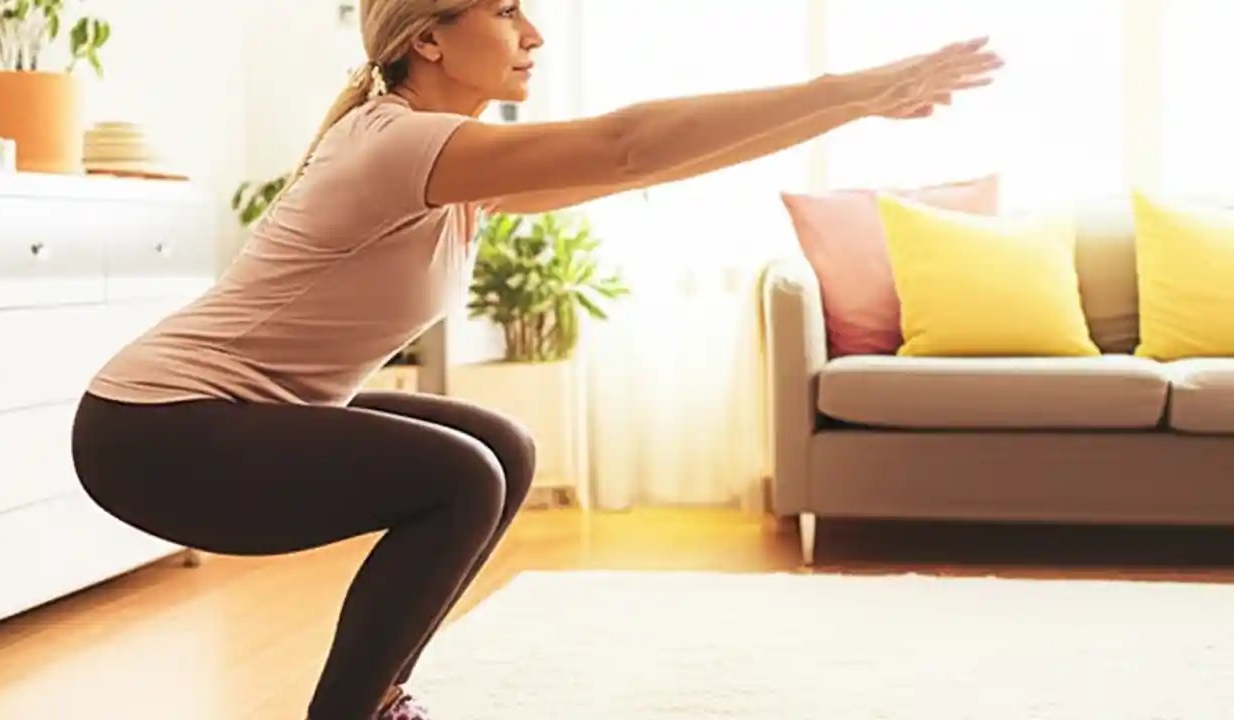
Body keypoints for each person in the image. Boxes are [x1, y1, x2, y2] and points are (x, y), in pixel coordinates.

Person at [69, 1, 1003, 718]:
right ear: (428, 38)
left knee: (501, 446)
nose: (535, 35)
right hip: (157, 432)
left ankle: (377, 697)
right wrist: (854, 85)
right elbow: (626, 145)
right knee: (461, 476)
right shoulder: (397, 142)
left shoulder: (444, 159)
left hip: (200, 423)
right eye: (507, 9)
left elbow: (649, 162)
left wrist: (856, 108)